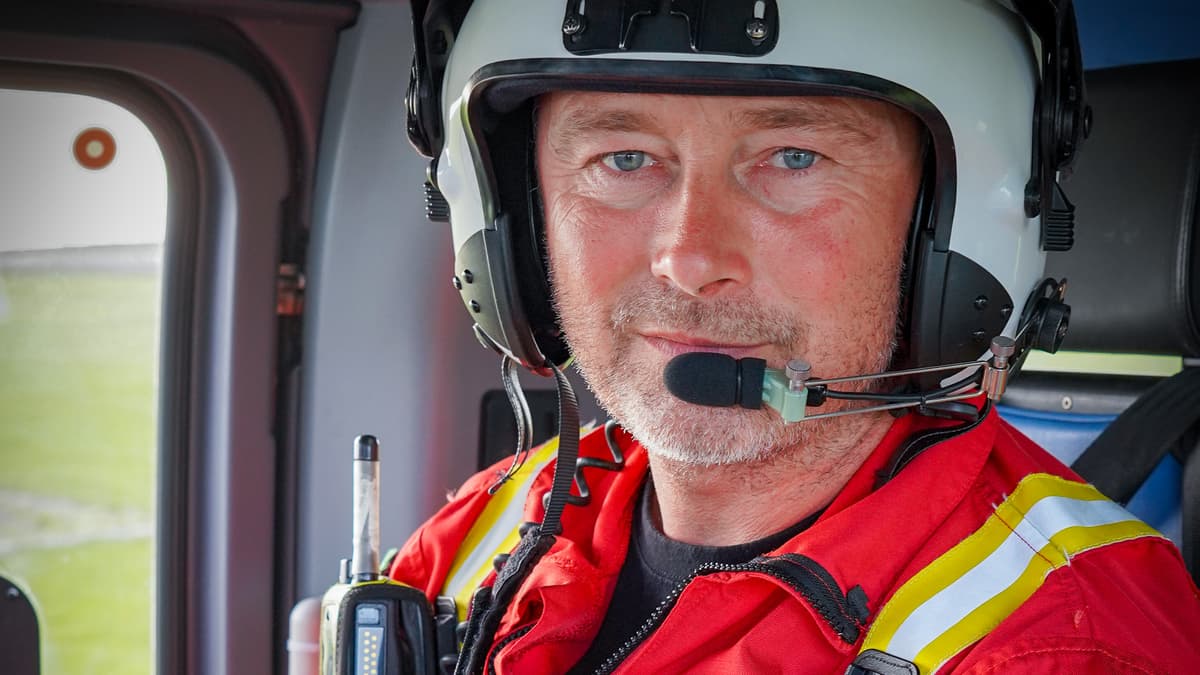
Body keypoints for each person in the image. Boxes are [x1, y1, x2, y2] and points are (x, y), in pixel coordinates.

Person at [389, 1, 1200, 673]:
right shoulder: (476, 538)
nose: (691, 259)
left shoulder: (1057, 642)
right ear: (517, 231)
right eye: (624, 157)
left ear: (944, 236)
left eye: (793, 156)